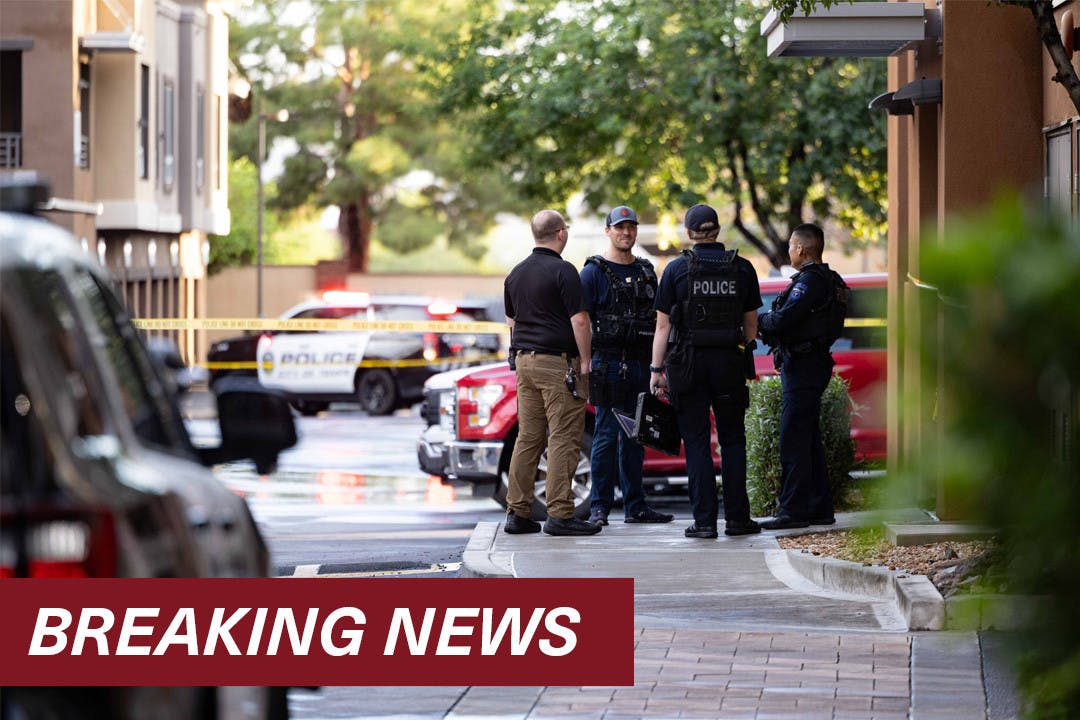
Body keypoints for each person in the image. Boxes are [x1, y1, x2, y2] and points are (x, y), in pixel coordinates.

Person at [650, 204, 762, 539]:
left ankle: (704, 523)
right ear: (716, 231)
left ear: (689, 233)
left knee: (696, 442)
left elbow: (662, 327)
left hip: (688, 365)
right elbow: (752, 325)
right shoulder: (742, 268)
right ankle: (738, 519)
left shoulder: (675, 270)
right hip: (729, 363)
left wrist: (657, 370)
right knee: (732, 441)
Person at [503, 209, 601, 537]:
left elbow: (512, 322)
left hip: (524, 363)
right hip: (557, 365)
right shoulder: (564, 271)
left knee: (528, 437)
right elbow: (580, 320)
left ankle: (517, 512)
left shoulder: (515, 274)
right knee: (563, 435)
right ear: (561, 233)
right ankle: (560, 513)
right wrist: (585, 361)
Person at [580, 205, 674, 527]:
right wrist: (583, 362)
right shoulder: (593, 272)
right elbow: (580, 320)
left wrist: (659, 368)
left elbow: (661, 322)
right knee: (606, 436)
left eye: (631, 227)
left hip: (640, 363)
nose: (626, 232)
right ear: (608, 231)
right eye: (619, 227)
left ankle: (636, 506)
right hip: (607, 363)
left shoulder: (648, 271)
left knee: (637, 436)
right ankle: (600, 508)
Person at [758, 223, 847, 530]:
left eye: (791, 247)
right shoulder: (830, 279)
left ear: (801, 249)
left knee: (793, 438)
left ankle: (793, 512)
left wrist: (759, 321)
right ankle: (820, 508)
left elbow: (785, 317)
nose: (789, 252)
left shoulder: (810, 281)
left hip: (805, 365)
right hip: (813, 362)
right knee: (807, 439)